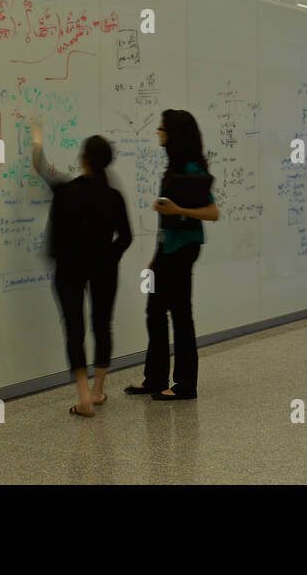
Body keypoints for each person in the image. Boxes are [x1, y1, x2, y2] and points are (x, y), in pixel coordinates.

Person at [33, 126, 133, 418]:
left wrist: (37, 139)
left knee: (74, 329)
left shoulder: (67, 191)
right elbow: (126, 237)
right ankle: (98, 390)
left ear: (84, 159)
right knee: (103, 325)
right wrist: (108, 257)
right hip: (104, 268)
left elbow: (40, 166)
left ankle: (83, 397)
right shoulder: (114, 197)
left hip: (69, 268)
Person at [126, 109, 219, 402]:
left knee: (180, 315)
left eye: (162, 129)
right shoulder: (174, 167)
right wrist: (156, 253)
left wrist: (178, 210)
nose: (158, 132)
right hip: (167, 250)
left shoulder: (191, 169)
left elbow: (212, 212)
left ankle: (184, 385)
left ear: (174, 134)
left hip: (183, 250)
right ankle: (154, 378)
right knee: (155, 311)